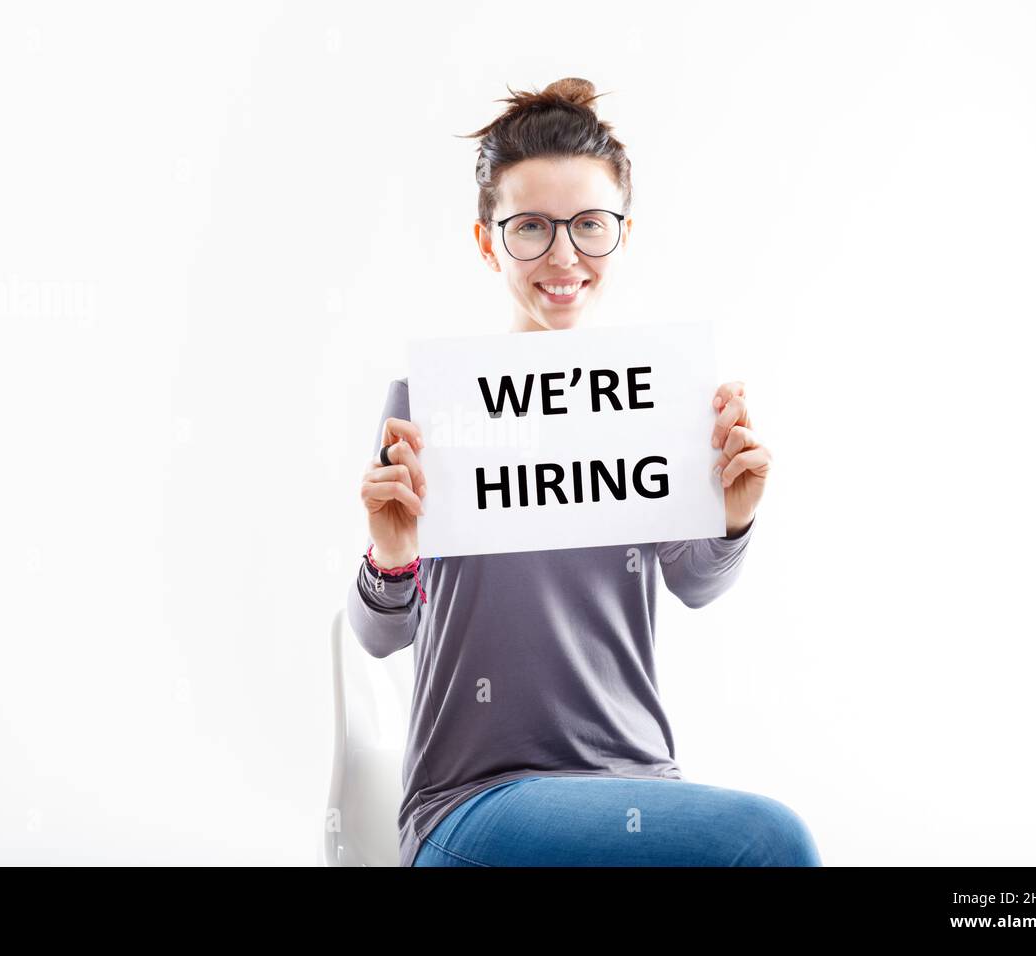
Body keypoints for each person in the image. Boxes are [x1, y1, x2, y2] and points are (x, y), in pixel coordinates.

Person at [347, 78, 821, 867]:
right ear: (486, 241)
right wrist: (389, 556)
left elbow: (696, 585)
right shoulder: (430, 406)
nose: (563, 256)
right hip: (472, 804)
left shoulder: (658, 399)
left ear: (623, 236)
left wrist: (732, 517)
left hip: (643, 785)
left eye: (590, 226)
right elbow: (377, 633)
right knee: (771, 842)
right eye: (530, 227)